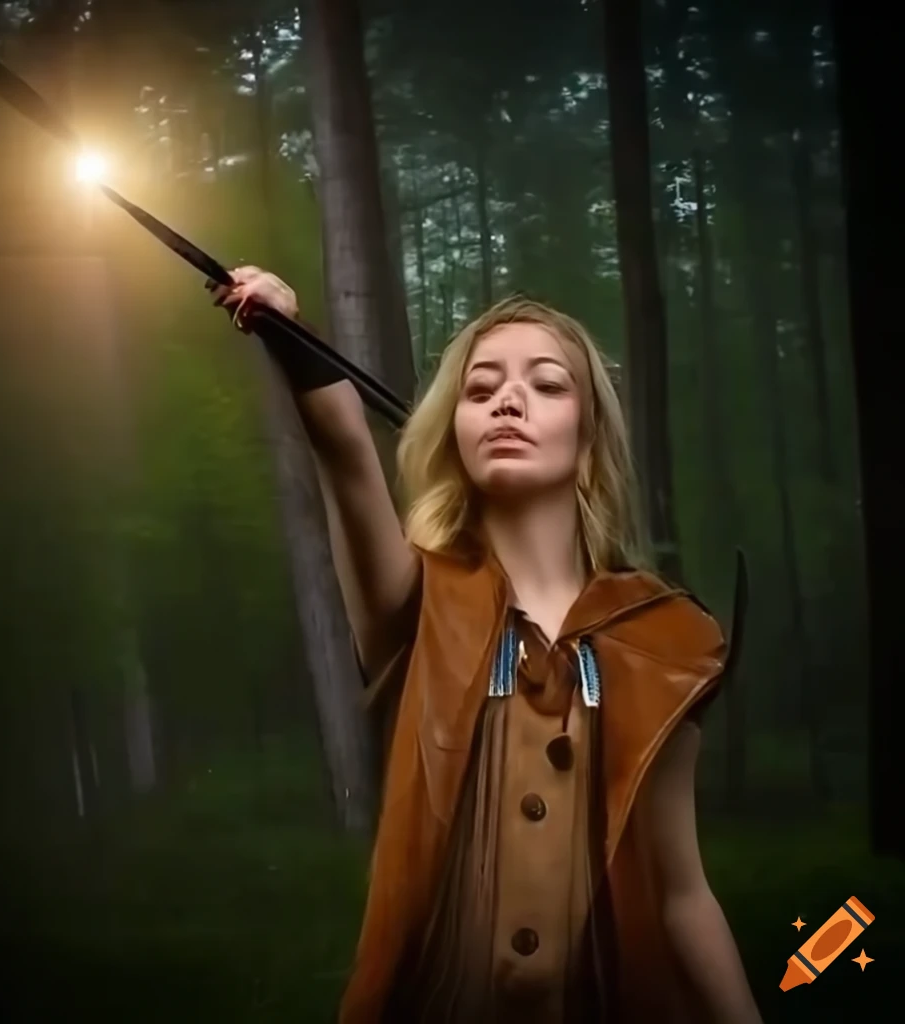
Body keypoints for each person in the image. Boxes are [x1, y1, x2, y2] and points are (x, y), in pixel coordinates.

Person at [210, 267, 762, 1023]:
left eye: (547, 385)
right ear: (456, 432)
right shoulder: (415, 602)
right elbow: (343, 452)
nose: (508, 401)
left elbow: (682, 893)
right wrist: (286, 330)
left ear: (589, 435)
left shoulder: (662, 637)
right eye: (479, 391)